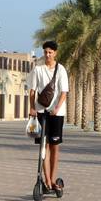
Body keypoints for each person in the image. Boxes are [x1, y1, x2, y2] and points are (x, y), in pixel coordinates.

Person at [28, 41, 69, 193]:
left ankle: (53, 180)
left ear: (55, 53)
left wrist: (57, 108)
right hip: (41, 112)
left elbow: (64, 92)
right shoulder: (38, 69)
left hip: (57, 113)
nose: (47, 54)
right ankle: (46, 181)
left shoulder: (61, 70)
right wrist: (32, 108)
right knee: (43, 147)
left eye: (50, 52)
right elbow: (32, 91)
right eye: (45, 52)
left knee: (55, 146)